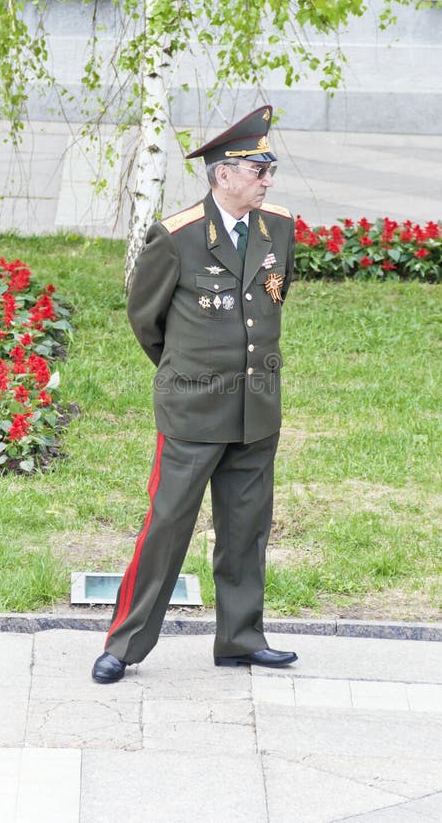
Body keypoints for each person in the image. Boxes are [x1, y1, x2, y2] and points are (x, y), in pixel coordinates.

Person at [92, 104, 298, 684]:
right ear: (223, 174)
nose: (267, 180)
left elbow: (272, 300)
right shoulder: (177, 237)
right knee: (166, 528)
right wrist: (185, 372)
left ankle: (240, 638)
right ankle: (125, 644)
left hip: (255, 408)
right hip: (192, 411)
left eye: (269, 168)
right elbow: (144, 318)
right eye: (258, 169)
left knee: (246, 529)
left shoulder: (278, 227)